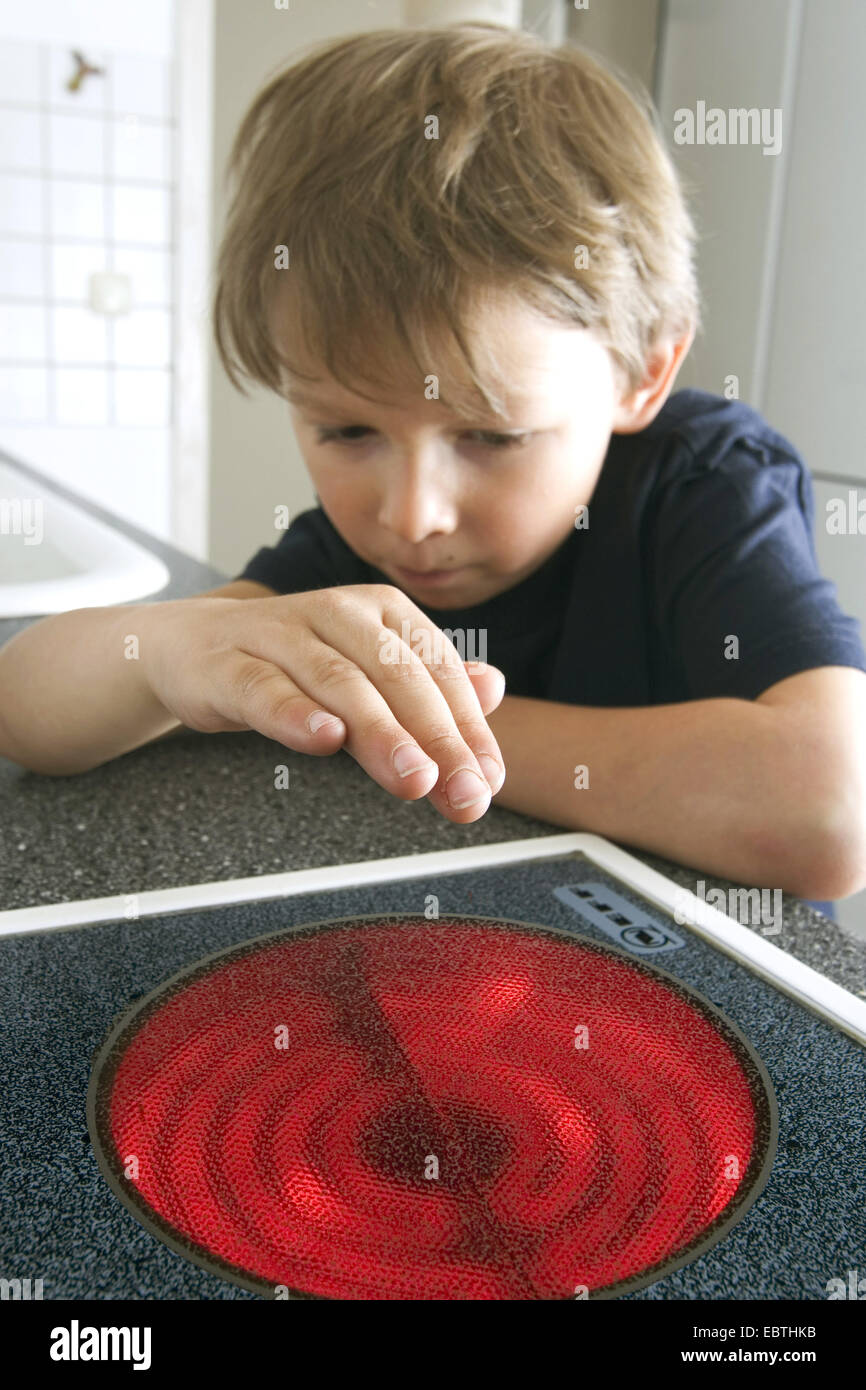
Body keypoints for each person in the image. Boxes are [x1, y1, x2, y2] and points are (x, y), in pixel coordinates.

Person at [2, 22, 864, 918]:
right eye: (345, 431)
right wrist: (167, 654)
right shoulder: (342, 563)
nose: (410, 518)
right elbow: (23, 710)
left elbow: (830, 811)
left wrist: (410, 720)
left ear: (643, 373)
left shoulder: (705, 482)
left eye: (491, 438)